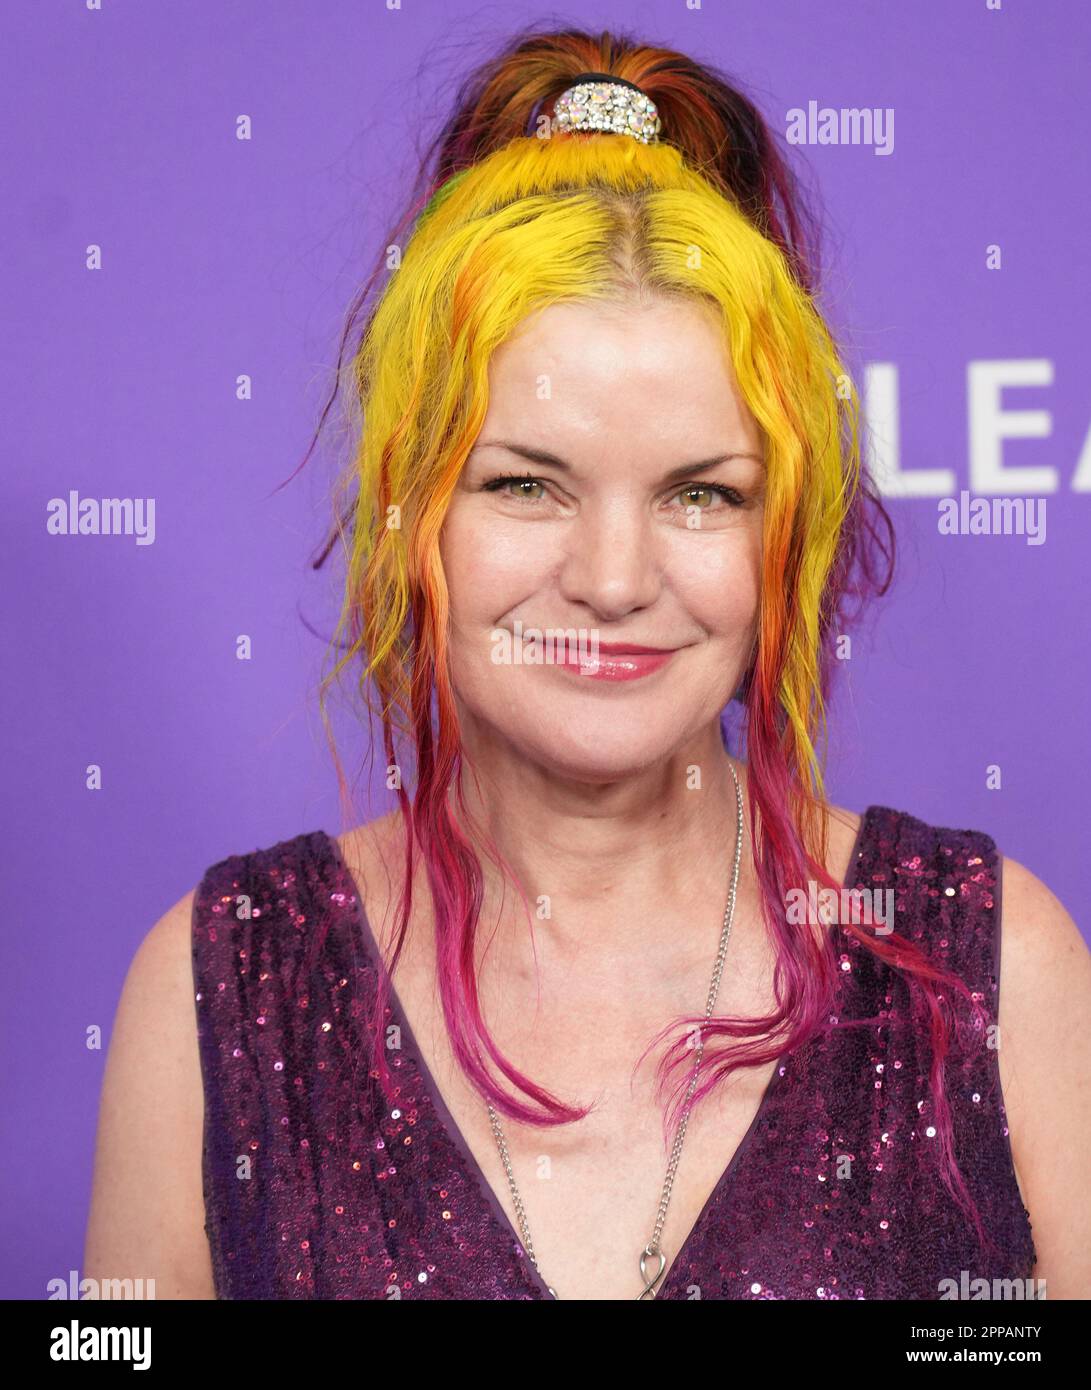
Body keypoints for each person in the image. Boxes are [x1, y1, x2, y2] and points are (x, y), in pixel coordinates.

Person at [84, 28, 1090, 1301]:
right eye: (525, 484)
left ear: (782, 538)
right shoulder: (222, 977)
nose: (613, 580)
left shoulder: (983, 959)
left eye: (698, 495)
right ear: (411, 509)